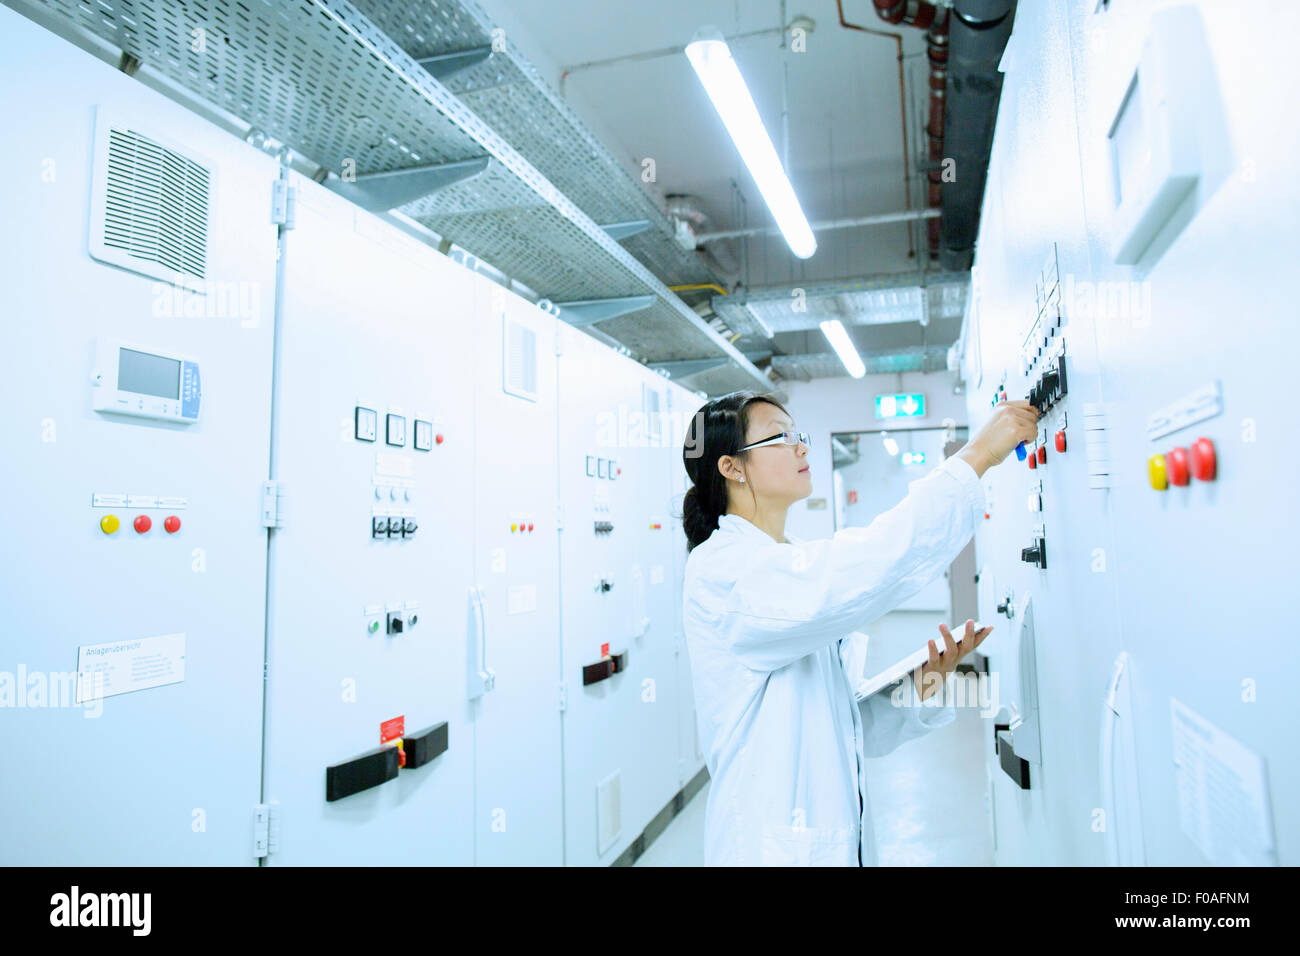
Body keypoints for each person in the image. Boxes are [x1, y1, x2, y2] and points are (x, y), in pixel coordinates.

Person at [680, 390, 1040, 866]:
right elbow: (873, 561)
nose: (801, 447)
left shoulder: (784, 561)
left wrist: (926, 680)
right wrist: (977, 457)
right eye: (780, 437)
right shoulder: (724, 571)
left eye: (799, 435)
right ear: (732, 467)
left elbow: (846, 726)